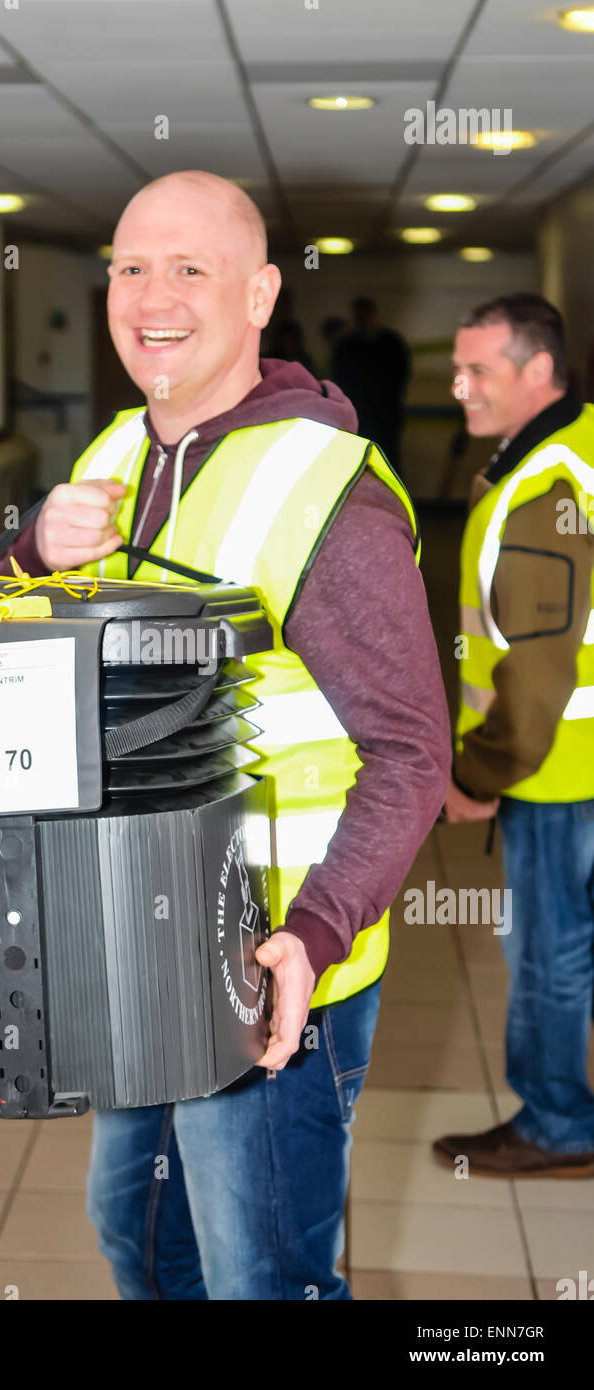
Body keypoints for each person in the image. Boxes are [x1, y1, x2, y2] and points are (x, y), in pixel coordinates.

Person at [0, 170, 450, 1298]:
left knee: (263, 1275)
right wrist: (25, 553)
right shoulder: (109, 456)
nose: (153, 293)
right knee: (141, 1239)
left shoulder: (321, 488)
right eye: (131, 267)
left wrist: (315, 932)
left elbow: (410, 754)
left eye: (189, 268)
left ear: (257, 294)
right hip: (130, 951)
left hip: (269, 971)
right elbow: (0, 659)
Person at [435, 293, 594, 1178]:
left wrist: (479, 771)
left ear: (538, 370)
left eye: (479, 371)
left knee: (547, 955)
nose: (459, 387)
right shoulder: (581, 447)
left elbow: (537, 668)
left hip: (554, 769)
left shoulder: (544, 486)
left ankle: (557, 1126)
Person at [331, 296, 411, 470]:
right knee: (358, 461)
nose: (363, 320)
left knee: (387, 459)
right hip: (361, 415)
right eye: (359, 316)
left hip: (385, 416)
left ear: (374, 315)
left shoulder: (391, 343)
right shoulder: (347, 346)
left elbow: (401, 376)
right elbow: (340, 380)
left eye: (365, 315)